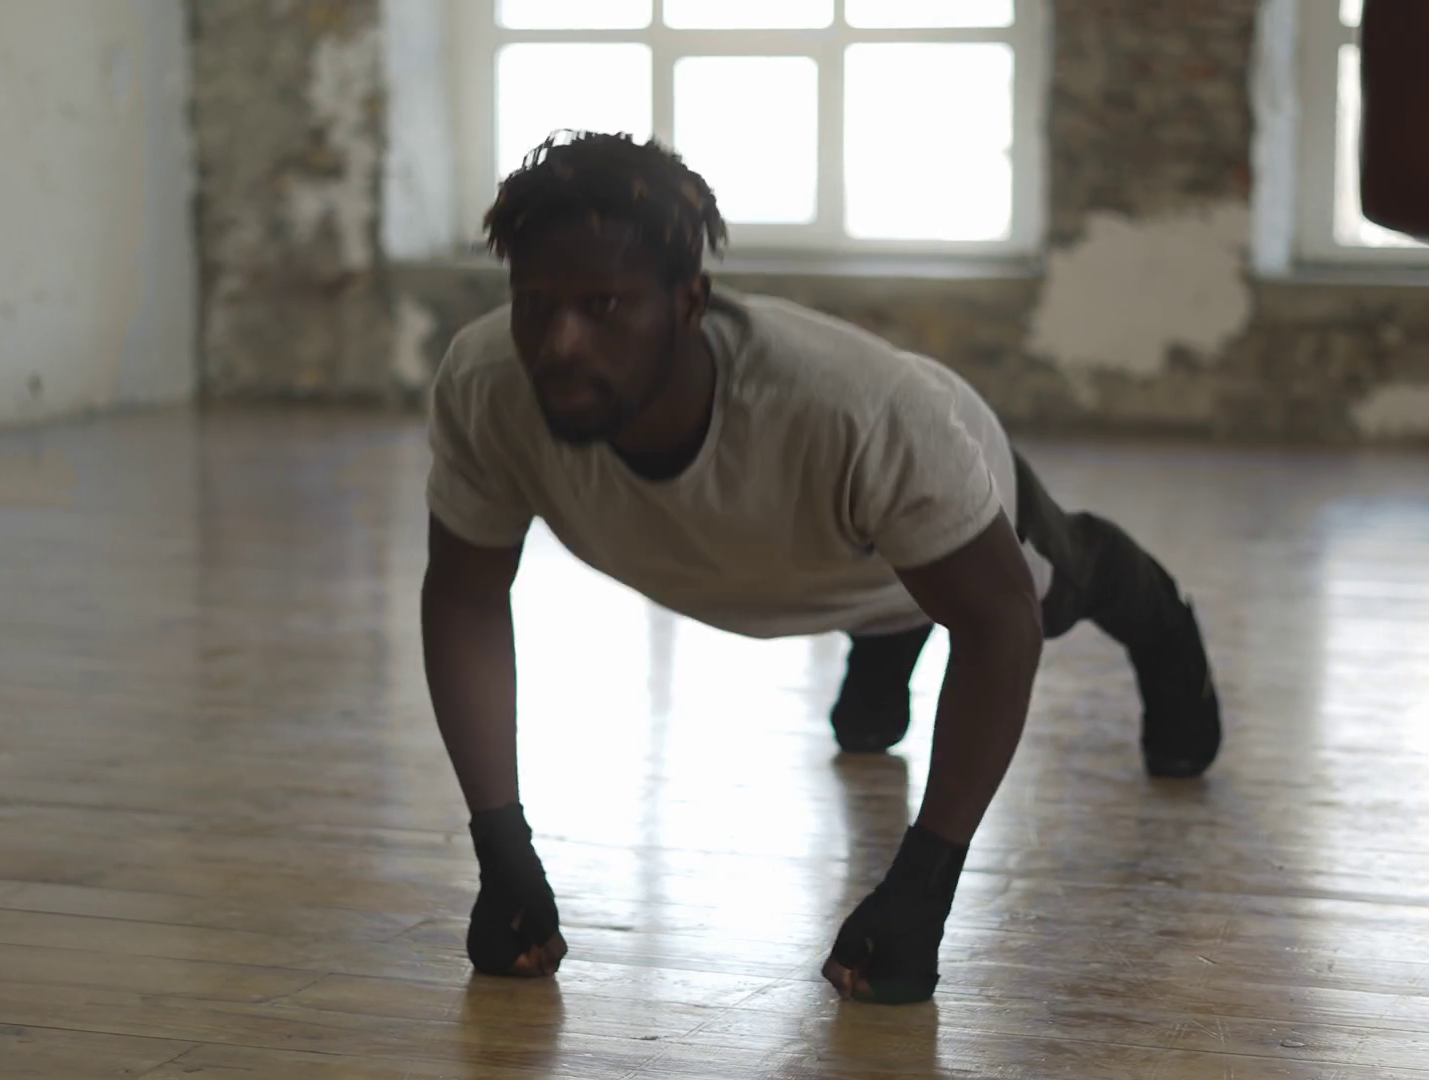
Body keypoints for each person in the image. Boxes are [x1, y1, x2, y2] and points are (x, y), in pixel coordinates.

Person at [420, 131, 1221, 1006]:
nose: (560, 342)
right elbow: (464, 598)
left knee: (1053, 586)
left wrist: (924, 886)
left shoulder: (862, 412)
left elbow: (998, 628)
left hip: (926, 518)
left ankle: (1161, 622)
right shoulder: (488, 384)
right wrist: (502, 850)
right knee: (866, 724)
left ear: (689, 303)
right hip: (814, 561)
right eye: (535, 303)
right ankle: (894, 629)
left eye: (604, 305)